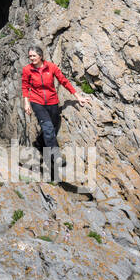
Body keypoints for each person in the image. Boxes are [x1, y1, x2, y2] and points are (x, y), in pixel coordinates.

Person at [21, 45, 87, 181]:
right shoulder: (27, 70)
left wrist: (77, 96)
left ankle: (39, 143)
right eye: (30, 56)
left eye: (33, 56)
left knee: (53, 127)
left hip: (52, 102)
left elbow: (63, 81)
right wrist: (26, 103)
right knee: (48, 128)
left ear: (40, 56)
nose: (31, 58)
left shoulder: (51, 67)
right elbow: (25, 87)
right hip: (37, 102)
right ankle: (56, 157)